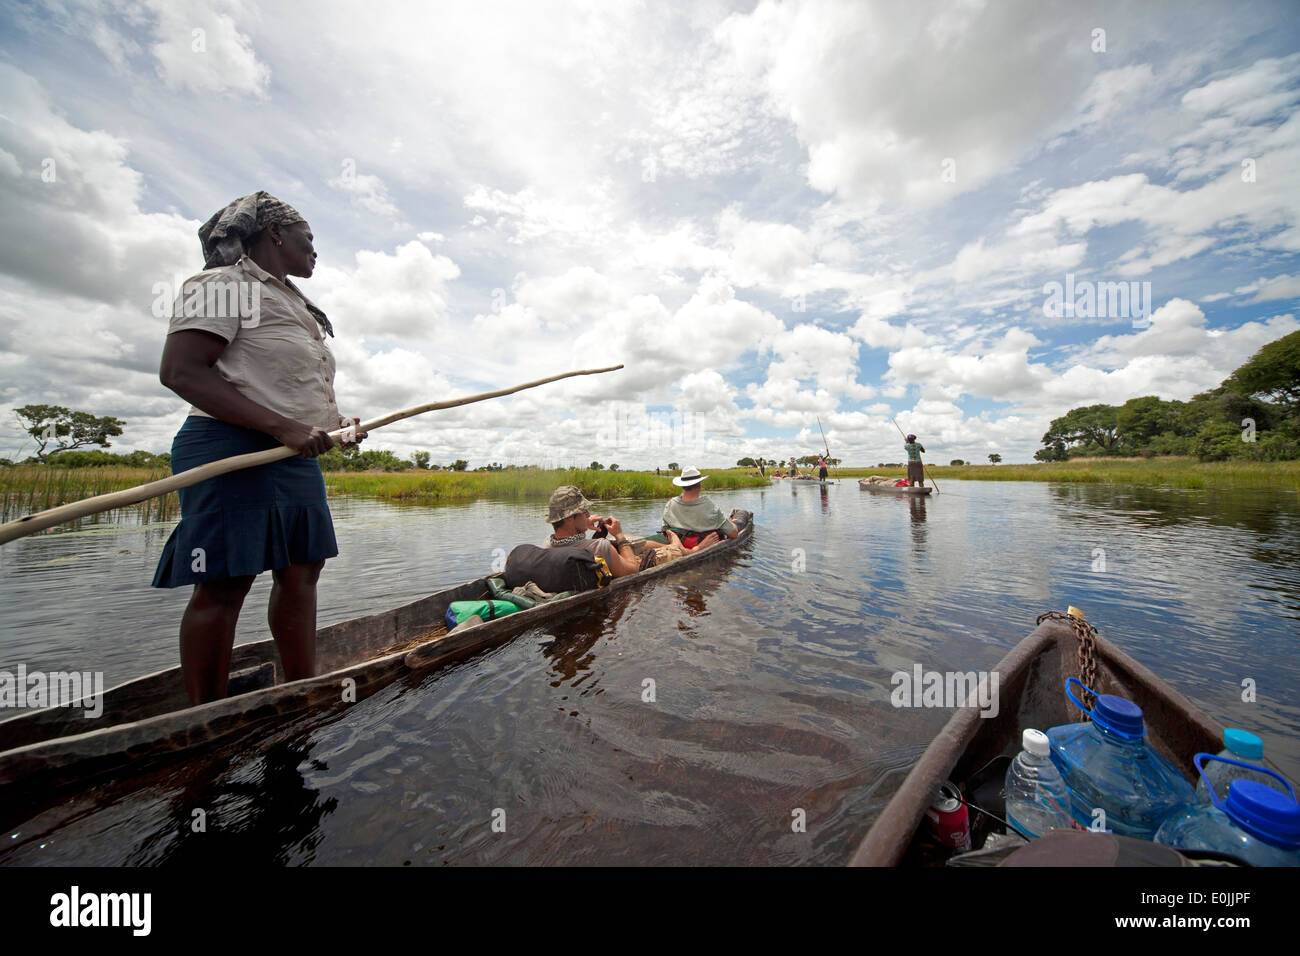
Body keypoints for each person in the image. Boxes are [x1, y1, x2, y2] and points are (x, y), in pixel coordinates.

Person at [153, 191, 364, 705]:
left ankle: (301, 690)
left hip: (290, 456)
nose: (315, 250)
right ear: (275, 233)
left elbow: (282, 382)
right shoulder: (225, 287)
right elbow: (181, 371)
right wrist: (283, 427)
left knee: (302, 571)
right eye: (308, 238)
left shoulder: (294, 304)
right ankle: (207, 716)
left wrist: (334, 424)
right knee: (226, 581)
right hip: (230, 446)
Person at [543, 485, 664, 578]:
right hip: (627, 566)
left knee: (639, 543)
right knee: (631, 542)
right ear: (570, 518)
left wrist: (583, 526)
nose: (588, 514)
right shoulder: (600, 547)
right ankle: (676, 545)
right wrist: (619, 535)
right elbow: (633, 571)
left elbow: (572, 541)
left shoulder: (547, 544)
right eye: (584, 511)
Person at [661, 466, 738, 549]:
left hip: (678, 545)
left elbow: (664, 529)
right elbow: (734, 534)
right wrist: (733, 523)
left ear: (682, 486)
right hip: (700, 546)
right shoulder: (710, 507)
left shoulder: (670, 504)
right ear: (700, 484)